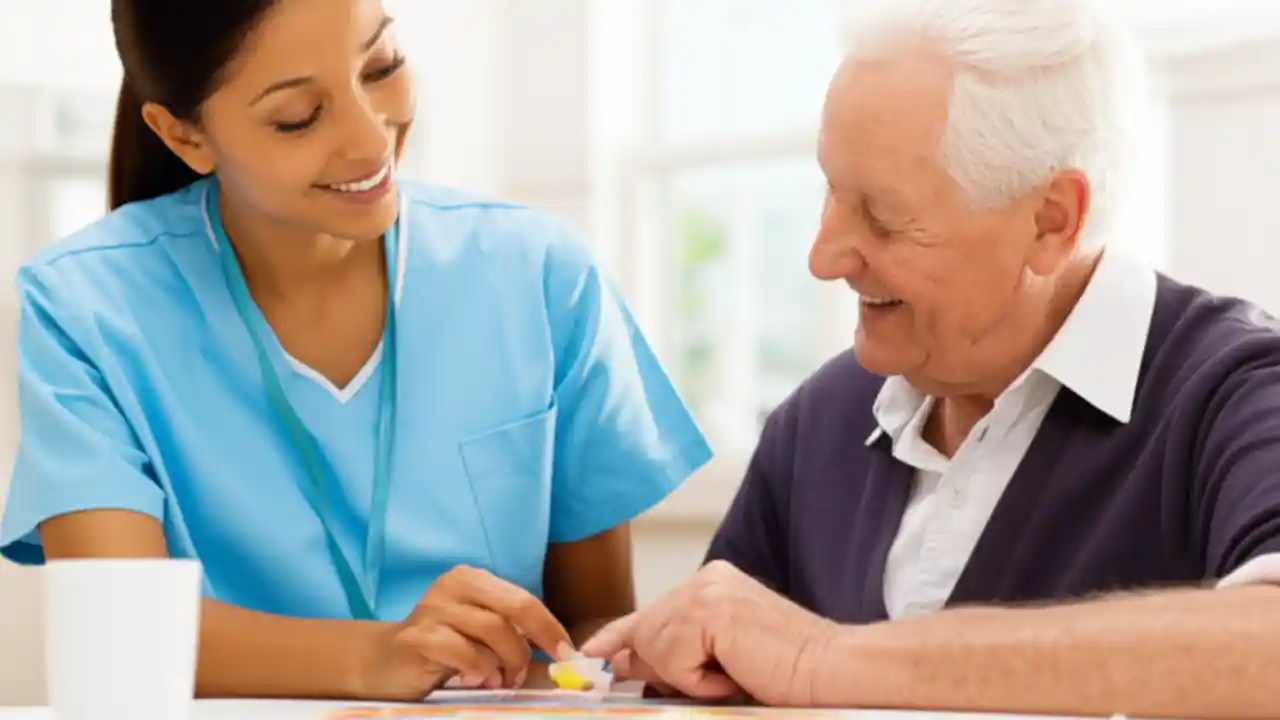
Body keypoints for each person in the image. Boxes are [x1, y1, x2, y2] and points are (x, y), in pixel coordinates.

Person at [584, 0, 1280, 717]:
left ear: (1051, 220)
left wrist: (817, 659)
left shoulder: (1239, 395)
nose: (823, 258)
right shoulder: (819, 424)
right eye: (830, 191)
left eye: (884, 217)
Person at [0, 0, 710, 702]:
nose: (372, 142)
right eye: (297, 117)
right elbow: (118, 633)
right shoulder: (86, 305)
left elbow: (591, 626)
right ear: (184, 137)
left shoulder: (539, 273)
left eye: (381, 66)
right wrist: (377, 656)